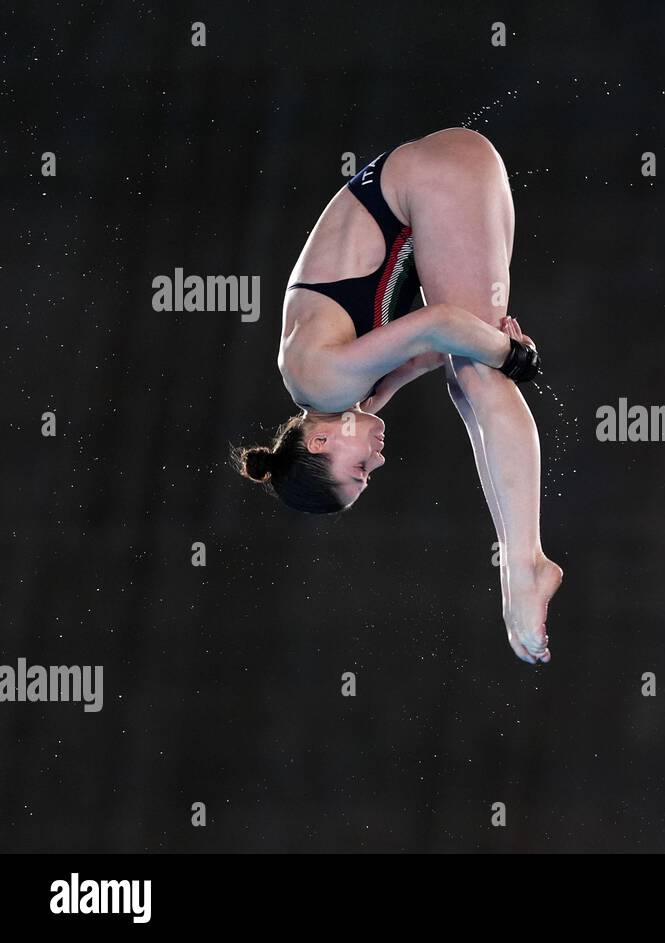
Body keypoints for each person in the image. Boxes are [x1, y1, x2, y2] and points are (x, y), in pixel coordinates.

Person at [235, 129, 560, 664]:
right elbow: (433, 346)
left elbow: (438, 323)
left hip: (438, 178)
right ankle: (519, 563)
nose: (378, 459)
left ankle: (522, 570)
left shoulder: (325, 382)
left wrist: (511, 354)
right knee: (468, 374)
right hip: (439, 175)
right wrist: (488, 349)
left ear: (318, 442)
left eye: (359, 470)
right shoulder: (331, 385)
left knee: (480, 375)